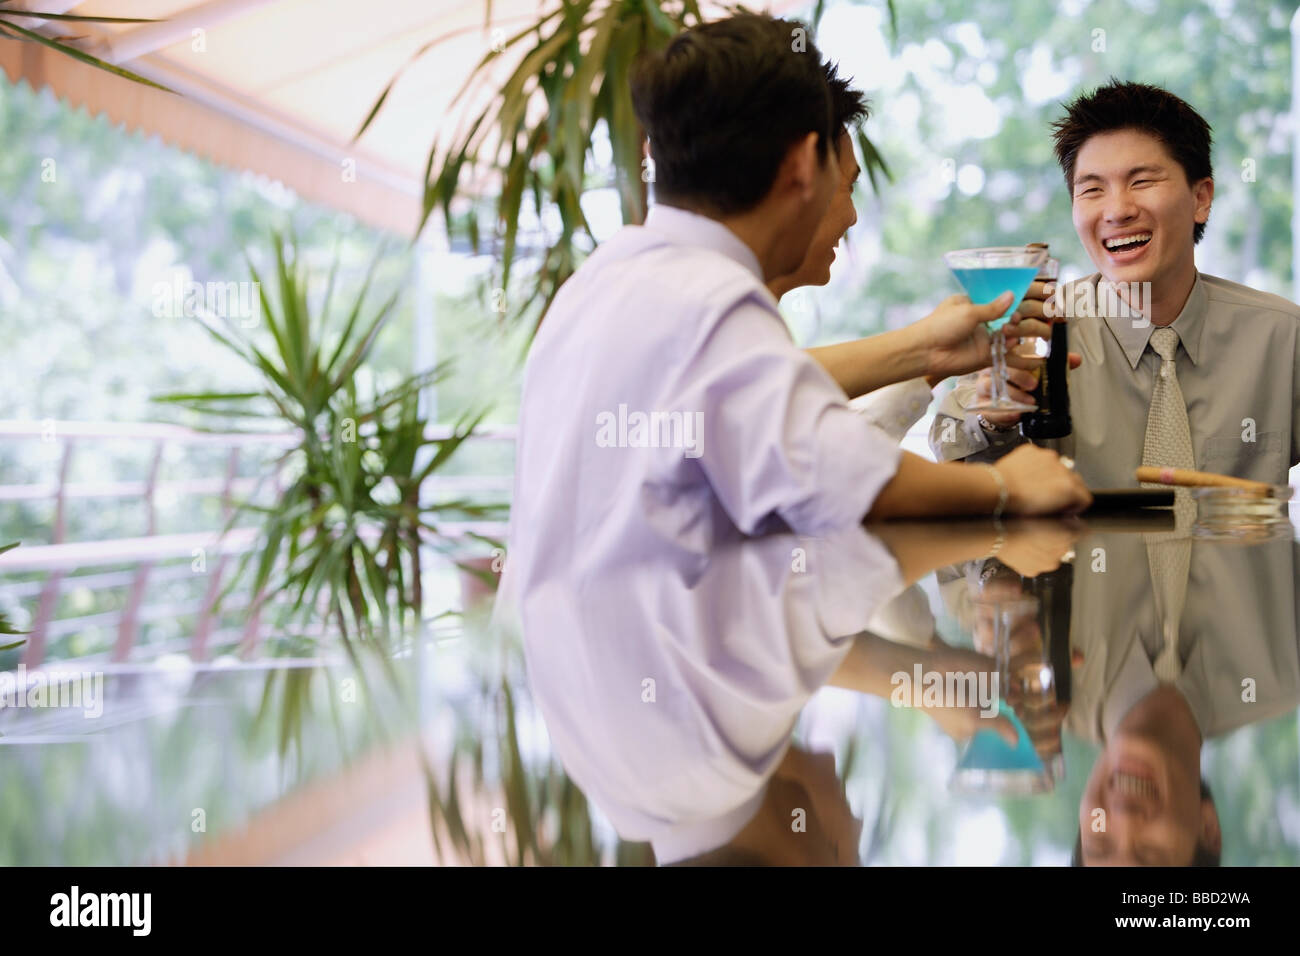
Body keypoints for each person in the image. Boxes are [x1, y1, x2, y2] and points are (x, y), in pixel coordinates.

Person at [506, 13, 1089, 605]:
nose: (852, 214)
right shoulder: (713, 299)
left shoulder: (605, 280)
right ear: (805, 164)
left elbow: (758, 400)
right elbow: (845, 478)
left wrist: (929, 352)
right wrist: (1004, 487)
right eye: (847, 182)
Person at [929, 80, 1300, 488]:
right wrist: (994, 420)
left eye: (1142, 182)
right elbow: (952, 472)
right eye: (1092, 189)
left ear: (1201, 198)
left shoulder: (1283, 336)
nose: (1117, 210)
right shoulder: (1030, 330)